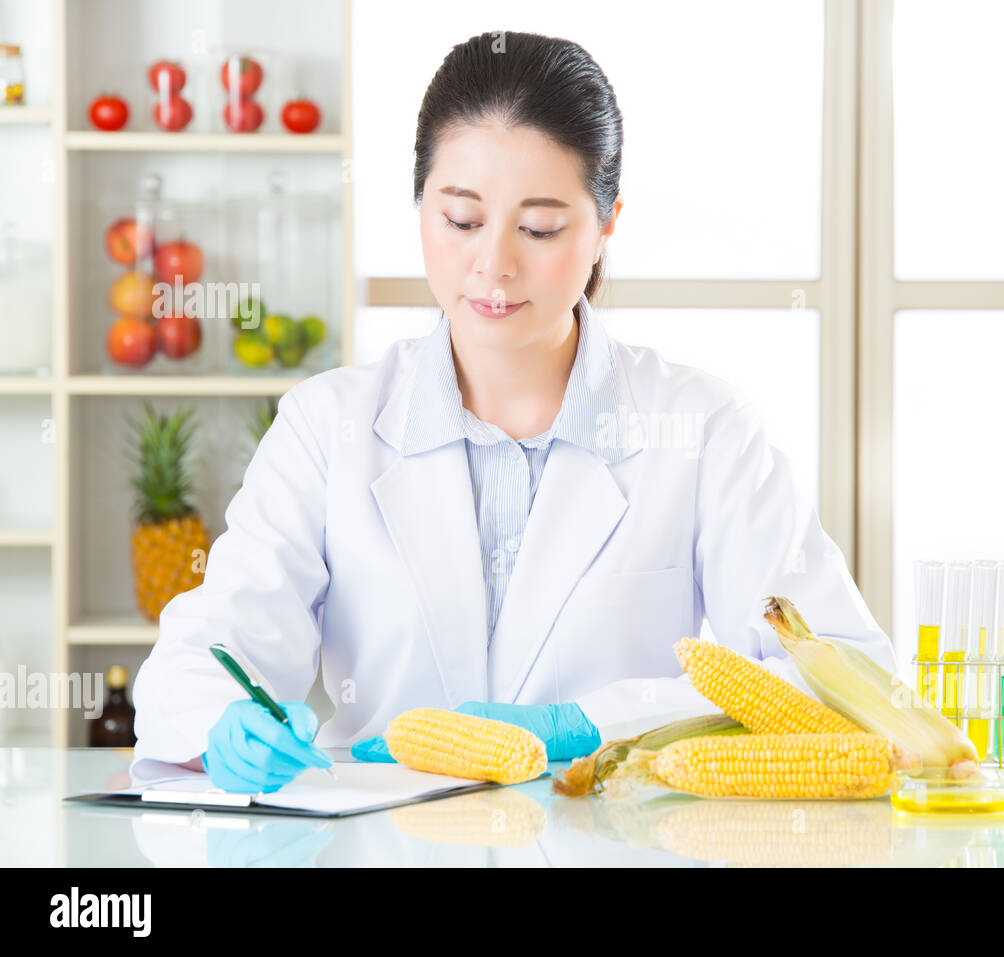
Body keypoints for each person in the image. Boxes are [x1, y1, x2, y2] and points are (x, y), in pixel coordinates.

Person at [130, 30, 895, 791]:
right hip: (386, 847)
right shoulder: (325, 427)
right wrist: (223, 717)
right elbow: (209, 649)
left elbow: (847, 682)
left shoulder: (702, 429)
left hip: (613, 843)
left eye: (539, 228)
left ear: (606, 226)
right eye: (461, 220)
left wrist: (600, 722)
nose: (493, 264)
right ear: (420, 206)